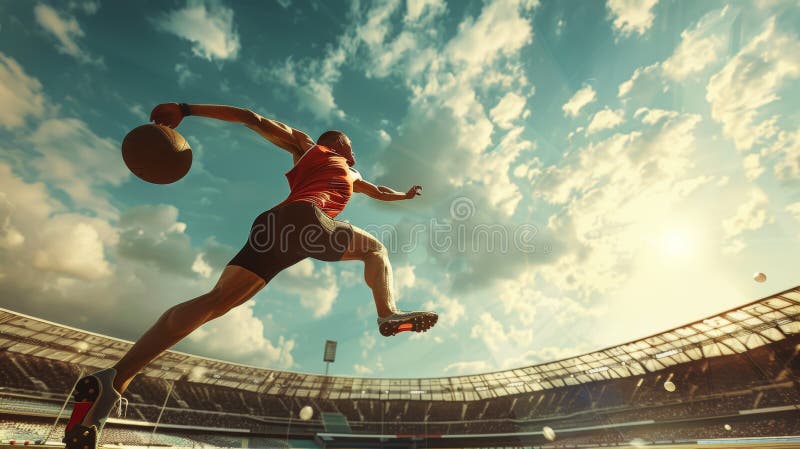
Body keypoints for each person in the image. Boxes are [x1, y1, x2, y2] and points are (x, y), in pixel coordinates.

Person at [62, 103, 438, 449]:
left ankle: (115, 378)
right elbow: (252, 118)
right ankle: (387, 312)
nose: (354, 151)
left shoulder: (350, 174)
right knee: (375, 250)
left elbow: (379, 191)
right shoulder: (310, 147)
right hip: (306, 220)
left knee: (215, 302)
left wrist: (403, 196)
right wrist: (186, 109)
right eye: (349, 143)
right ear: (337, 142)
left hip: (272, 225)